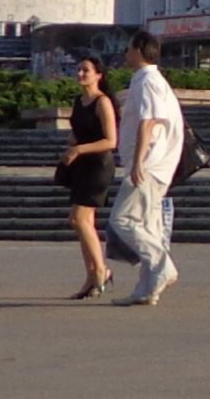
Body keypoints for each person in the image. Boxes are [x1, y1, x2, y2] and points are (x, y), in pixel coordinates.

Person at [109, 29, 183, 306]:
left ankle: (161, 265)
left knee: (124, 220)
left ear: (139, 50)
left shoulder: (148, 80)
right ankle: (147, 288)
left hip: (149, 165)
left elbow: (148, 122)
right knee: (148, 226)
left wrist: (138, 161)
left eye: (129, 48)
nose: (126, 53)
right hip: (155, 165)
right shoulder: (150, 80)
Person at [59, 55, 118, 299]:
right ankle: (92, 275)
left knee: (79, 218)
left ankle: (101, 271)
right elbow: (78, 133)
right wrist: (70, 148)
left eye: (86, 70)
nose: (81, 74)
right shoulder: (79, 101)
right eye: (79, 70)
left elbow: (110, 141)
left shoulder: (102, 102)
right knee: (81, 221)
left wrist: (79, 149)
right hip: (81, 166)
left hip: (98, 166)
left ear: (98, 75)